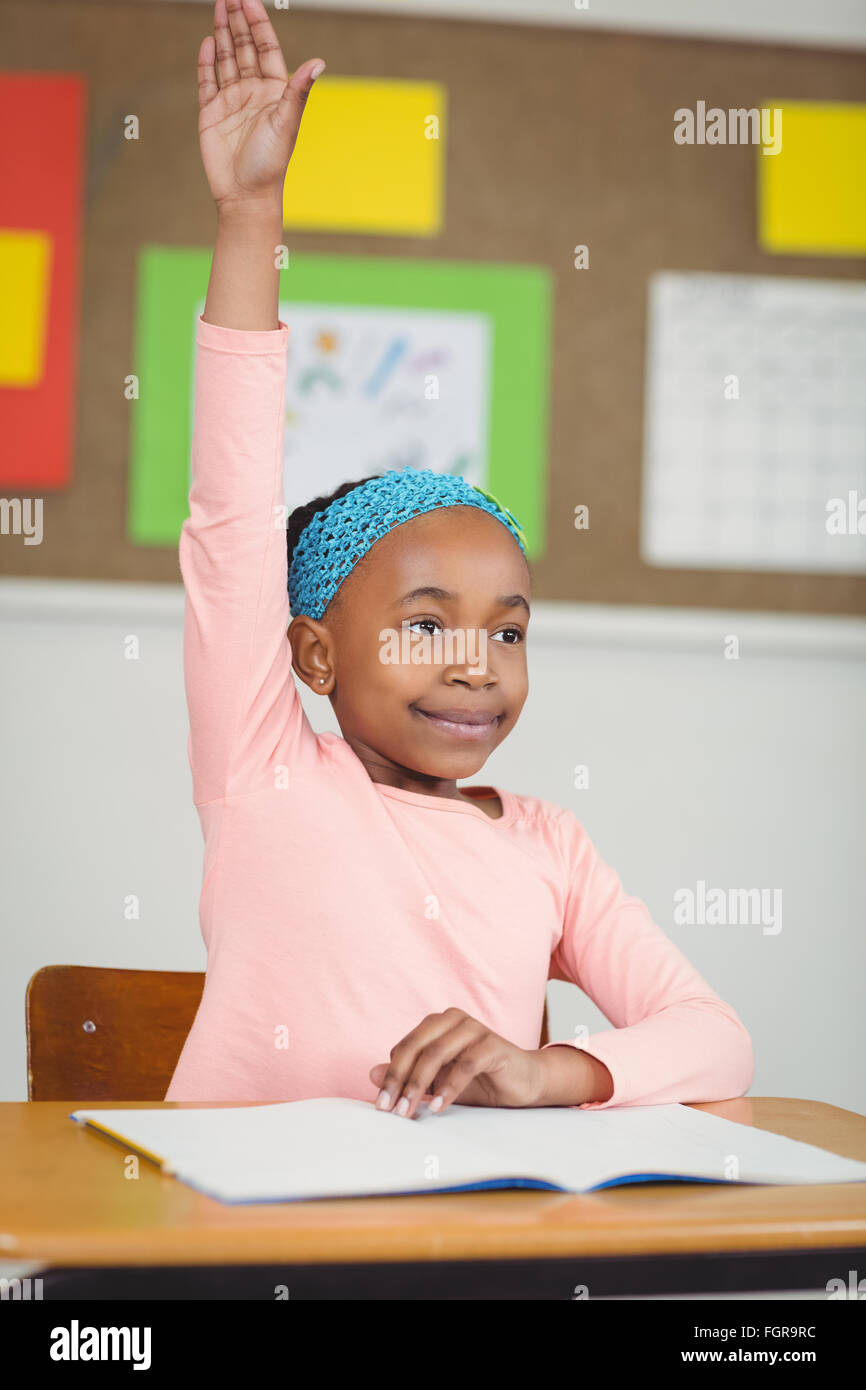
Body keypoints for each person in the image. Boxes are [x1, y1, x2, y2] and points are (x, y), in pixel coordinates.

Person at [165, 0, 753, 1119]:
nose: (477, 661)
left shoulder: (547, 844)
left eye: (508, 629)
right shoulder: (263, 769)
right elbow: (229, 505)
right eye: (425, 622)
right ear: (313, 654)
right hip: (232, 1241)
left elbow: (716, 1041)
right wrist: (249, 217)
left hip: (444, 1242)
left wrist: (548, 1069)